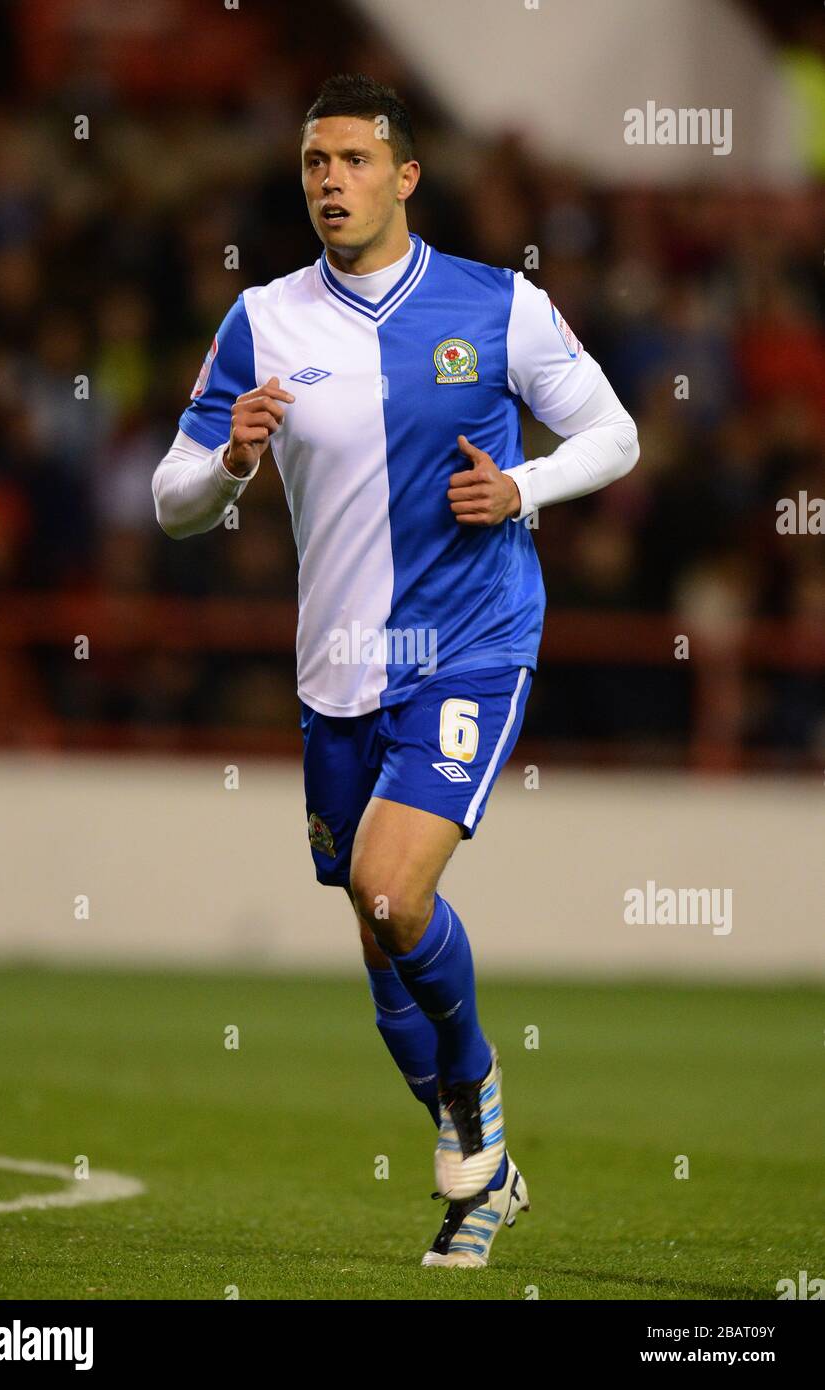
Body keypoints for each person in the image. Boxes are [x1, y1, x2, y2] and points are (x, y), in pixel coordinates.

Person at [152, 73, 640, 1268]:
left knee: (390, 886)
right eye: (315, 163)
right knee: (377, 941)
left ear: (405, 175)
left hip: (470, 644)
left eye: (355, 161)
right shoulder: (262, 321)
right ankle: (487, 1184)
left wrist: (521, 487)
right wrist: (228, 463)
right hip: (339, 668)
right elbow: (170, 499)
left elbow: (616, 434)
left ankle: (476, 1104)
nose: (331, 181)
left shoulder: (499, 304)